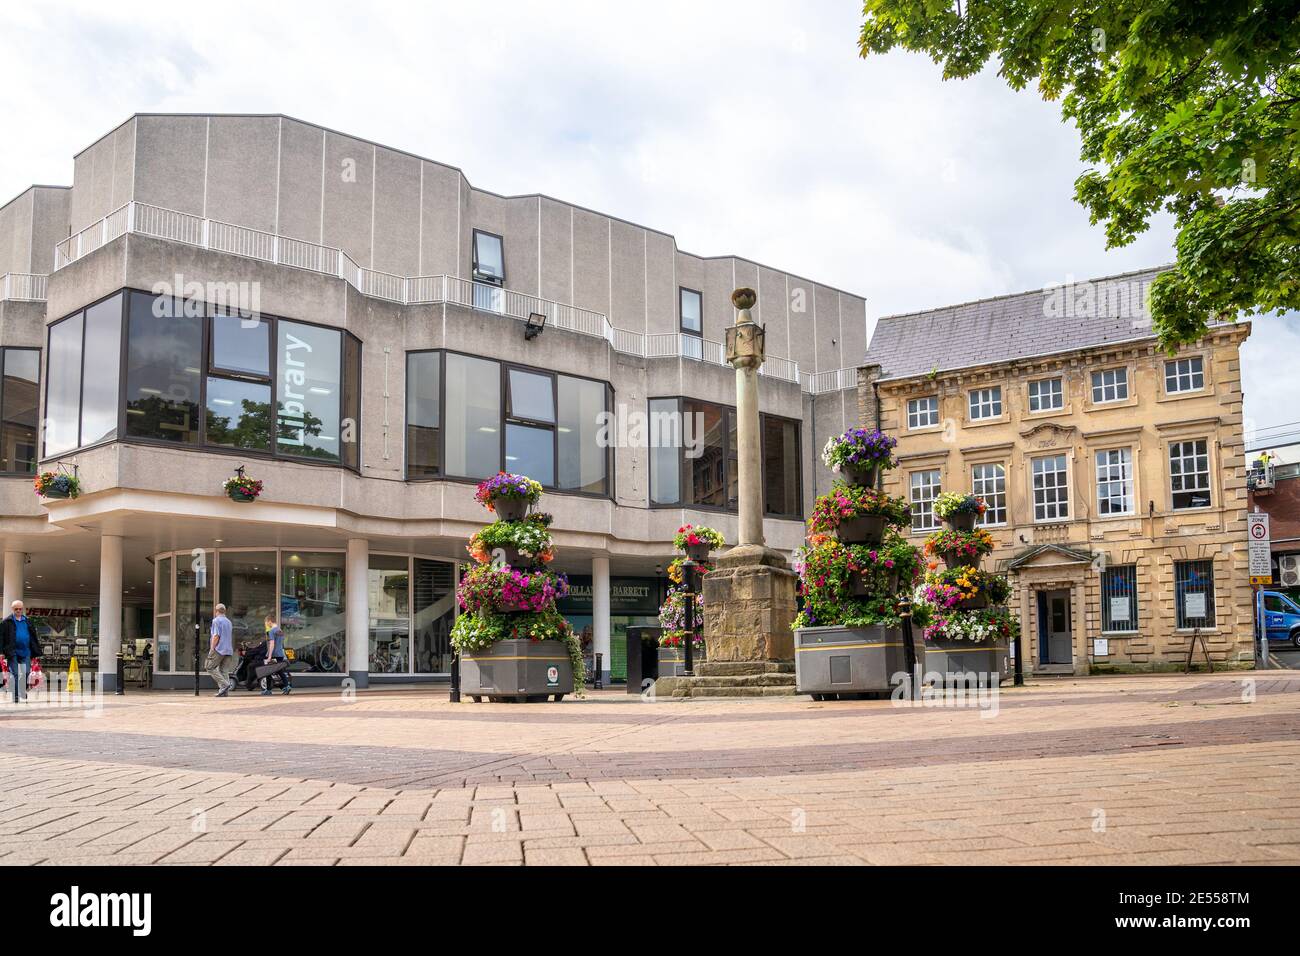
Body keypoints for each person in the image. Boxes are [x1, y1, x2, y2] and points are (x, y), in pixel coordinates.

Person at [0, 600, 43, 703]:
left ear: (22, 609)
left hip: (26, 651)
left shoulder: (27, 621)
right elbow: (1, 637)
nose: (18, 610)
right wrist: (1, 651)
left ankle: (21, 689)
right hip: (12, 651)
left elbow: (33, 636)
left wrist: (36, 650)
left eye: (20, 609)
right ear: (12, 609)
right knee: (14, 673)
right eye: (16, 609)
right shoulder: (6, 622)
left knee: (27, 672)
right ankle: (16, 696)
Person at [206, 603, 236, 698]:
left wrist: (212, 648)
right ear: (225, 611)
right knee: (224, 670)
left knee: (209, 667)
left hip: (219, 649)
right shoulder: (228, 622)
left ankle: (224, 684)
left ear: (217, 611)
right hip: (228, 649)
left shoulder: (216, 621)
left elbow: (216, 636)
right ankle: (224, 692)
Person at [262, 614, 291, 696]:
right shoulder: (280, 630)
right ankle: (287, 686)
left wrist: (269, 656)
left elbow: (272, 644)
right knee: (280, 671)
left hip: (274, 654)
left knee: (268, 671)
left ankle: (268, 690)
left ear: (270, 621)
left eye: (267, 623)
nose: (266, 624)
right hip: (280, 654)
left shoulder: (272, 631)